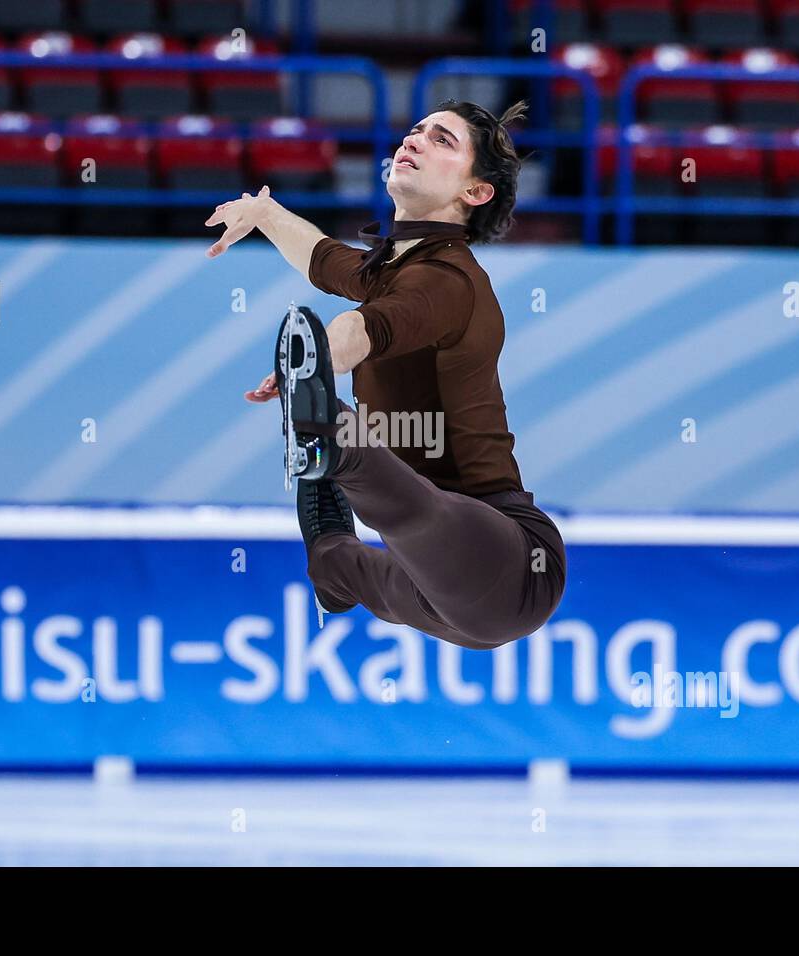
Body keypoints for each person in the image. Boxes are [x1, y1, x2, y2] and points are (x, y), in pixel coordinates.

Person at [204, 99, 565, 651]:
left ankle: (335, 446)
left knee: (415, 510)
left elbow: (367, 329)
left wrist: (314, 365)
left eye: (442, 140)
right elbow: (325, 261)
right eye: (415, 130)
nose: (412, 140)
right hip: (434, 588)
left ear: (475, 191)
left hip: (508, 565)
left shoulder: (448, 281)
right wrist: (266, 215)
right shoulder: (394, 270)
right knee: (345, 567)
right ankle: (331, 543)